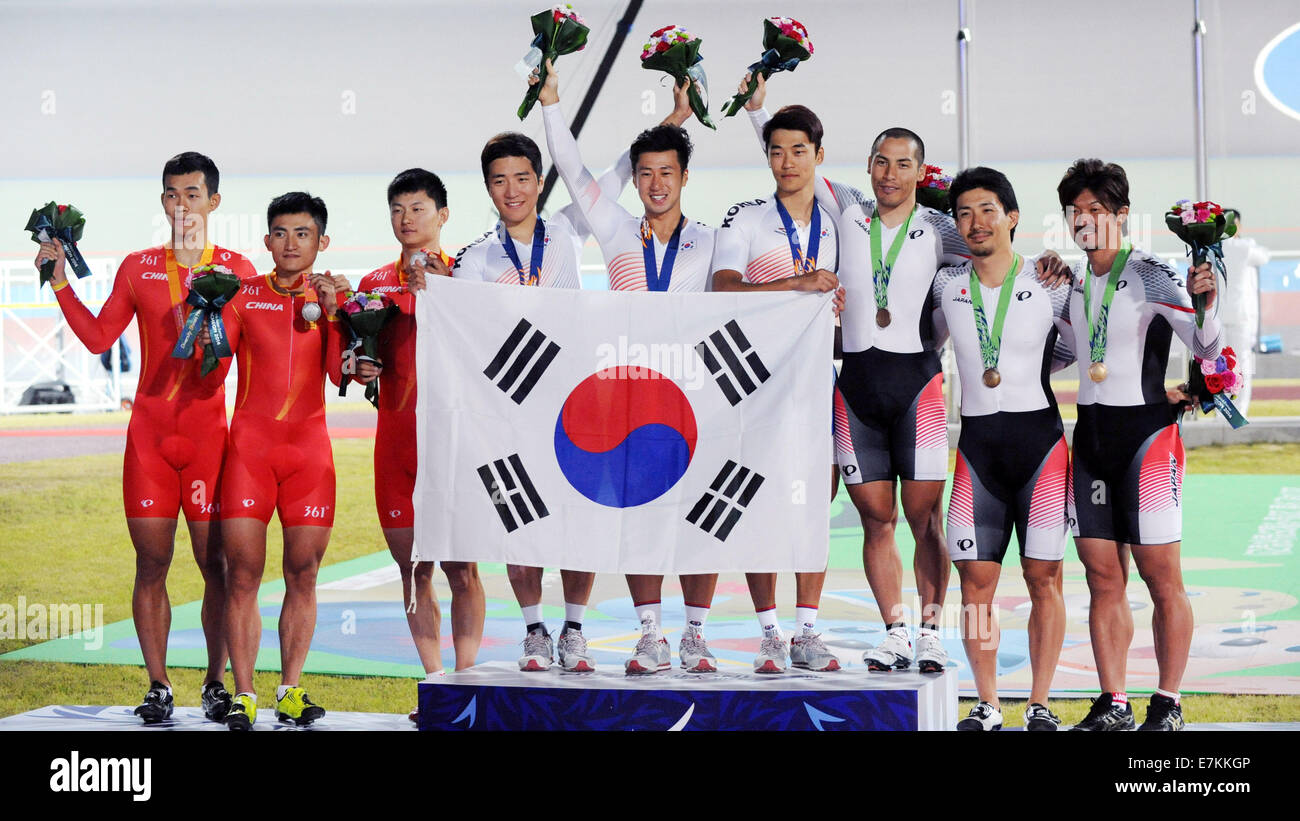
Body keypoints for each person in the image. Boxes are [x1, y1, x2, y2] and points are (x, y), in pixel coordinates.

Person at [743, 72, 1068, 674]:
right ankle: (894, 631)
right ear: (868, 168)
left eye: (903, 164)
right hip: (856, 392)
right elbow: (795, 163)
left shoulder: (945, 229)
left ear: (921, 173)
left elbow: (996, 248)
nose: (890, 174)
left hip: (918, 388)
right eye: (880, 163)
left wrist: (1051, 262)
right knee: (876, 518)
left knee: (923, 518)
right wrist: (758, 111)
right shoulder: (847, 211)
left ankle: (928, 634)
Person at [36, 151, 255, 724]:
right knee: (151, 563)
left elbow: (269, 345)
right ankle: (158, 684)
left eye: (192, 194)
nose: (181, 205)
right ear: (162, 201)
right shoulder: (138, 267)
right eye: (171, 194)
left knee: (220, 570)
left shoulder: (240, 270)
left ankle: (214, 683)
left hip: (211, 441)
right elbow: (98, 338)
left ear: (213, 202)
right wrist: (60, 280)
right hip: (150, 444)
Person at [532, 59, 724, 674]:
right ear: (636, 180)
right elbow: (570, 166)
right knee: (642, 514)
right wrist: (551, 102)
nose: (655, 182)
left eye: (667, 171)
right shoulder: (613, 227)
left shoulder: (712, 241)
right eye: (645, 173)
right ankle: (651, 633)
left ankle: (695, 635)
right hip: (630, 396)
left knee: (696, 519)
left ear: (684, 176)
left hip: (694, 394)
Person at [1058, 159, 1221, 731]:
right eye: (1075, 212)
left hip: (1148, 438)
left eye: (1095, 211)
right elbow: (1062, 354)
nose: (1084, 221)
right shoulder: (1071, 281)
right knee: (1101, 576)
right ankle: (1115, 702)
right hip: (1093, 438)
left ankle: (1170, 702)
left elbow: (1204, 344)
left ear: (1121, 215)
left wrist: (1209, 299)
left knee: (1160, 576)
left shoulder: (1151, 272)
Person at [930, 168, 1071, 731]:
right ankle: (986, 703)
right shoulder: (947, 286)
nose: (976, 222)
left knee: (1044, 578)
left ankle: (1039, 704)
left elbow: (1089, 349)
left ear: (1012, 217)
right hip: (978, 450)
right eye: (964, 213)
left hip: (1040, 448)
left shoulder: (1053, 281)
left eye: (987, 210)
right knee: (976, 583)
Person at [710, 100, 845, 674]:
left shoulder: (844, 218)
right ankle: (769, 633)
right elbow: (721, 287)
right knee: (754, 502)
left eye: (798, 150)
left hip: (819, 378)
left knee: (815, 502)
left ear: (819, 154)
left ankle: (806, 633)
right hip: (752, 382)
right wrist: (799, 283)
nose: (786, 161)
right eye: (775, 150)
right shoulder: (745, 217)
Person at [351, 169, 486, 720]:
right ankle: (436, 686)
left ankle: (470, 683)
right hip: (396, 447)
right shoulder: (372, 285)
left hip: (454, 446)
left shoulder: (467, 277)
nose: (407, 220)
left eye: (418, 209)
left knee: (463, 571)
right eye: (397, 211)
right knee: (414, 572)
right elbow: (356, 364)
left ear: (443, 215)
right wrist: (358, 368)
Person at [218, 192, 345, 731]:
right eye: (280, 233)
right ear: (267, 240)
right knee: (242, 576)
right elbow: (210, 357)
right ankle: (243, 694)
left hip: (309, 457)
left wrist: (338, 315)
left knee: (304, 573)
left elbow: (342, 376)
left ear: (321, 241)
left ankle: (290, 690)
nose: (290, 243)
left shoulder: (338, 298)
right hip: (250, 452)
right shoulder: (242, 296)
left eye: (302, 233)